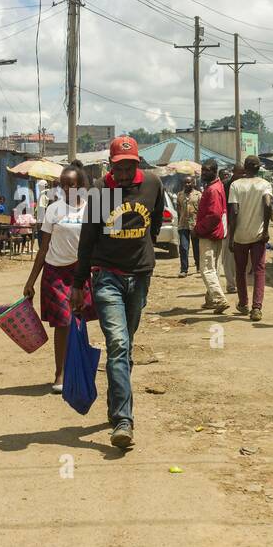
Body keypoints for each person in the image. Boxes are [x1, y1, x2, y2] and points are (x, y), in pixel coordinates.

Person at [71, 136, 163, 450]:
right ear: (111, 165)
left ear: (138, 164)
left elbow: (155, 225)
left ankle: (115, 399)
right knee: (119, 343)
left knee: (126, 344)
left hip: (139, 276)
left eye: (130, 167)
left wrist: (144, 256)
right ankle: (124, 420)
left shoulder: (152, 184)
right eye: (119, 167)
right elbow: (87, 240)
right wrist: (77, 283)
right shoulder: (100, 192)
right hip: (106, 276)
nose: (124, 173)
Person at [24, 165, 97, 392]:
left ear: (81, 186)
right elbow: (43, 249)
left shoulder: (92, 210)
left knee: (79, 322)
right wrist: (30, 281)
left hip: (82, 271)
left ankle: (80, 370)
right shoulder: (53, 210)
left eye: (71, 185)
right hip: (56, 272)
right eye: (62, 184)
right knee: (63, 323)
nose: (66, 189)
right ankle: (60, 373)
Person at [227, 156, 273, 322]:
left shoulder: (235, 185)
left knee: (240, 270)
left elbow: (233, 212)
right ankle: (256, 308)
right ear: (259, 168)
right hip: (258, 235)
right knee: (259, 270)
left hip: (240, 235)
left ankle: (243, 303)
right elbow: (268, 205)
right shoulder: (264, 185)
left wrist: (231, 237)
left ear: (245, 168)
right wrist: (266, 229)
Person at [194, 159, 231, 313]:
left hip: (209, 234)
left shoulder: (212, 190)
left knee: (207, 269)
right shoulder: (216, 186)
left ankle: (219, 299)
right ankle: (210, 300)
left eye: (207, 170)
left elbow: (214, 214)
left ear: (214, 171)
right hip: (216, 232)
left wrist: (199, 229)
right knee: (213, 268)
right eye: (202, 170)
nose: (203, 173)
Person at [220, 164, 243, 296]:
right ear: (234, 173)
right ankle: (231, 284)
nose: (243, 176)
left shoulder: (244, 185)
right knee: (228, 256)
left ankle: (239, 282)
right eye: (241, 173)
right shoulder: (226, 186)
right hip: (229, 224)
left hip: (242, 224)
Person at [176, 176, 202, 278]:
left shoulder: (198, 195)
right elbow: (179, 209)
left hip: (195, 225)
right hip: (183, 225)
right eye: (185, 183)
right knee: (183, 247)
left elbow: (201, 210)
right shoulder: (180, 195)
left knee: (196, 247)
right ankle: (184, 269)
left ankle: (199, 266)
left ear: (193, 183)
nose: (187, 184)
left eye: (189, 182)